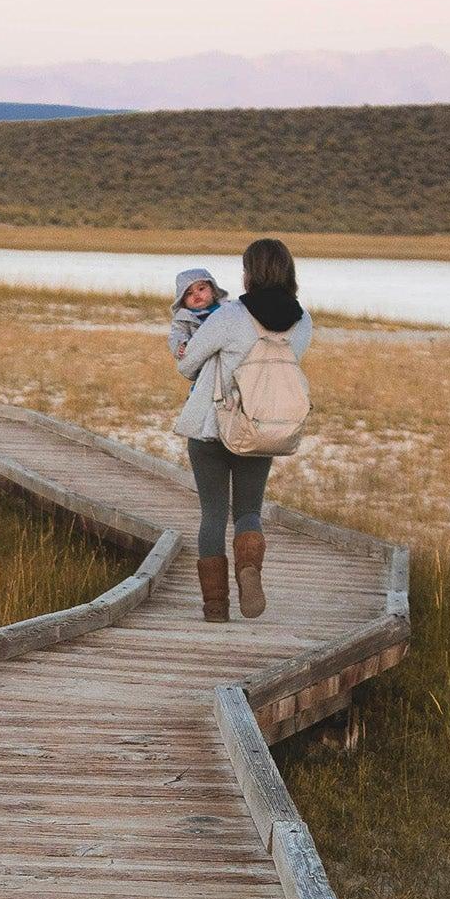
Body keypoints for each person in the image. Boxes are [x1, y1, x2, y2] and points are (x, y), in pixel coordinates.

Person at [170, 237, 312, 622]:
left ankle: (216, 606)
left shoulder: (230, 315)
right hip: (261, 427)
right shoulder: (302, 320)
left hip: (211, 427)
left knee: (213, 514)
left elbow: (187, 365)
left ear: (250, 273)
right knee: (249, 511)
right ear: (288, 271)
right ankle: (249, 569)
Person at [167, 267, 229, 360]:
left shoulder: (226, 308)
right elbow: (177, 334)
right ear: (183, 300)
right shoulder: (184, 319)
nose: (196, 294)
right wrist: (181, 345)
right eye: (189, 293)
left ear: (213, 291)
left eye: (201, 289)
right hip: (203, 358)